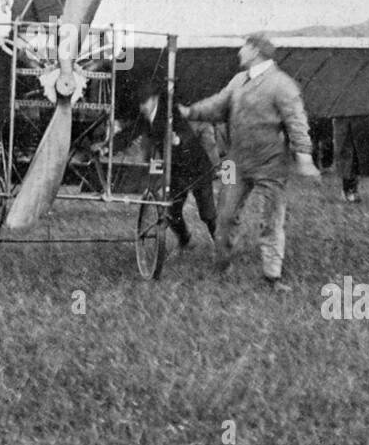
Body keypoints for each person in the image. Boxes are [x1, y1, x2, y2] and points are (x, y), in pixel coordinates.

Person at [178, 33, 319, 290]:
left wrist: (304, 155)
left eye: (244, 47)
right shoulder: (238, 80)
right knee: (225, 214)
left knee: (271, 219)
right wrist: (190, 111)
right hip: (234, 162)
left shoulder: (282, 84)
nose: (239, 52)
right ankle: (222, 266)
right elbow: (218, 104)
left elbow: (297, 121)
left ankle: (271, 277)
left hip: (271, 164)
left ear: (255, 51)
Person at [99, 80, 217, 248]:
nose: (143, 107)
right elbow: (128, 135)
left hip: (196, 167)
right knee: (172, 211)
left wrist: (179, 139)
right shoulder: (146, 118)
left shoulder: (170, 111)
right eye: (140, 104)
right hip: (176, 170)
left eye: (145, 102)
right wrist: (107, 148)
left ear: (154, 99)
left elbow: (184, 130)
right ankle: (186, 241)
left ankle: (222, 249)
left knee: (208, 214)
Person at [333, 116, 369, 202]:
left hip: (359, 124)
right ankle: (348, 190)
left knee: (356, 159)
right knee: (348, 159)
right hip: (345, 124)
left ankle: (353, 189)